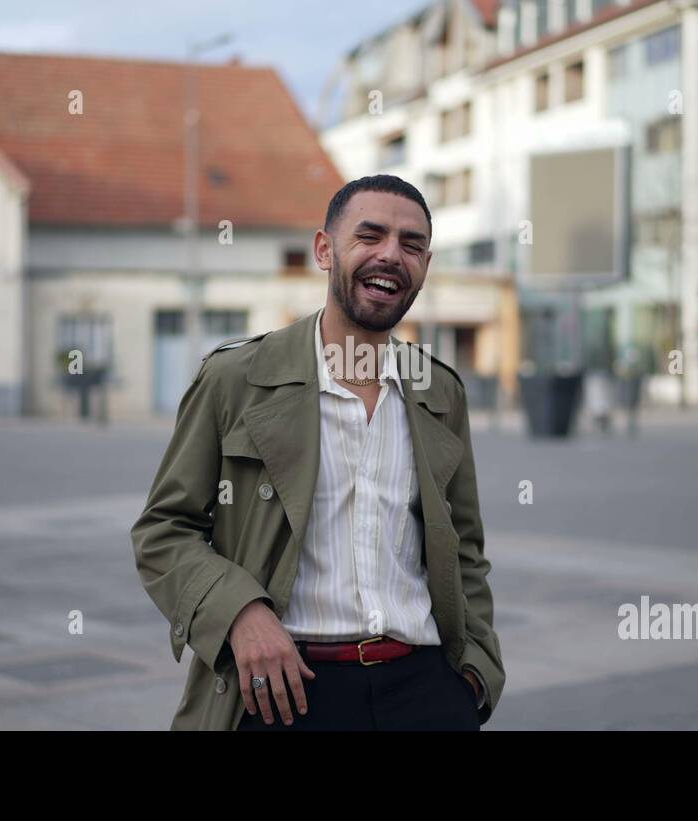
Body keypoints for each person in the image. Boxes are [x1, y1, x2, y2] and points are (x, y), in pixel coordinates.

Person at [131, 174, 504, 730]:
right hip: (285, 693)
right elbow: (164, 530)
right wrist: (239, 613)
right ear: (325, 250)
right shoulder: (237, 378)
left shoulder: (438, 389)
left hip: (425, 691)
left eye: (411, 245)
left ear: (426, 264)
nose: (391, 256)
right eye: (370, 236)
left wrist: (475, 670)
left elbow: (464, 545)